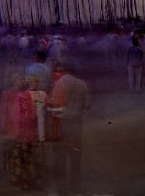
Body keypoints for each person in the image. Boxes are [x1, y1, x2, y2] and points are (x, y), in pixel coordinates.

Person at [48, 61, 90, 196]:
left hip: (61, 125)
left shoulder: (59, 83)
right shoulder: (82, 84)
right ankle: (75, 190)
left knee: (59, 159)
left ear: (63, 71)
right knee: (75, 159)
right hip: (76, 125)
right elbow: (87, 105)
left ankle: (62, 191)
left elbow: (53, 106)